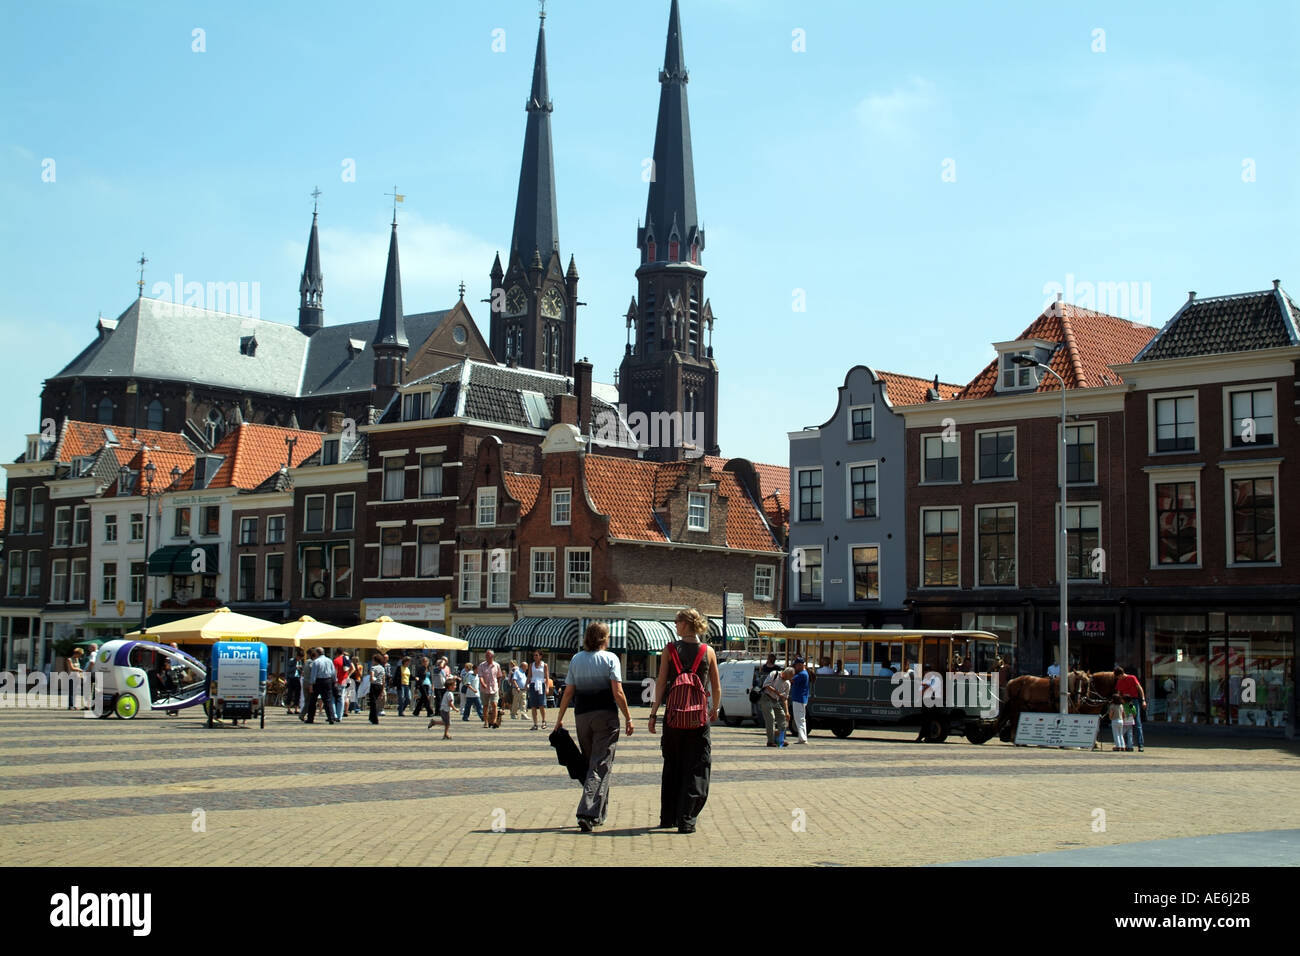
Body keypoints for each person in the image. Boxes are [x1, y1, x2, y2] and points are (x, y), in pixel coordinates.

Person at [554, 622, 635, 832]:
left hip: (582, 717)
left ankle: (598, 814)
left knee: (594, 765)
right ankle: (586, 812)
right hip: (605, 716)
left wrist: (559, 717)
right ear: (603, 639)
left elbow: (568, 691)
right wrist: (628, 717)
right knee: (600, 765)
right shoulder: (610, 659)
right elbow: (617, 692)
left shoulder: (576, 659)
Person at [649, 608, 720, 834]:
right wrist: (715, 708)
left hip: (673, 717)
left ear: (686, 624)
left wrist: (653, 714)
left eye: (677, 621)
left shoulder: (669, 650)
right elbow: (715, 686)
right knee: (697, 767)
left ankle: (668, 817)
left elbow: (661, 683)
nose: (675, 625)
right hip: (698, 719)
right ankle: (687, 819)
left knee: (672, 765)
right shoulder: (708, 651)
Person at [1114, 665, 1146, 752]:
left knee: (1137, 723)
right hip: (1124, 702)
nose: (1118, 679)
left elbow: (1139, 688)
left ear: (1121, 674)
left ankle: (1140, 745)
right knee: (1125, 725)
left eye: (1118, 677)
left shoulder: (1132, 678)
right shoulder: (1119, 682)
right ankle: (1125, 745)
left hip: (1132, 701)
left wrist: (1143, 700)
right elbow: (1118, 693)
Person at [302, 648, 337, 724]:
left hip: (318, 681)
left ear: (317, 653)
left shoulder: (316, 661)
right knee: (328, 700)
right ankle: (331, 718)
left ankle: (310, 718)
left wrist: (311, 684)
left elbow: (313, 675)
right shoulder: (329, 660)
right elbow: (333, 672)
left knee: (313, 701)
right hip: (328, 681)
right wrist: (334, 681)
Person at [762, 667, 792, 747]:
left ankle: (781, 740)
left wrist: (787, 712)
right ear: (784, 673)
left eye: (789, 678)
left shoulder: (787, 683)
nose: (786, 680)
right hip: (766, 697)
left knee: (782, 717)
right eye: (786, 677)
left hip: (776, 700)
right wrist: (778, 693)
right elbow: (766, 685)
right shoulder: (774, 674)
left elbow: (785, 698)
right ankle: (770, 741)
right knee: (771, 718)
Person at [478, 650, 503, 728]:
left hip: (494, 687)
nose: (487, 657)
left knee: (494, 704)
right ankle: (486, 721)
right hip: (484, 689)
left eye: (488, 656)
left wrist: (498, 687)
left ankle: (494, 721)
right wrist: (483, 683)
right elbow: (480, 676)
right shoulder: (482, 665)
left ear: (492, 656)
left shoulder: (496, 665)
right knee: (485, 705)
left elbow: (499, 676)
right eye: (486, 656)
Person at [789, 657, 810, 744]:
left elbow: (791, 679)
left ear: (801, 665)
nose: (796, 667)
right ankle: (802, 737)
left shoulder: (802, 674)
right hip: (801, 698)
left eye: (797, 665)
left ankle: (802, 737)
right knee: (801, 719)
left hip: (798, 698)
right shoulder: (804, 673)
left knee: (799, 719)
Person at [528, 651, 549, 730]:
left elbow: (547, 677)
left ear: (540, 656)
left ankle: (543, 721)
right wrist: (526, 685)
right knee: (533, 705)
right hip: (533, 684)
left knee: (541, 704)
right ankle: (535, 724)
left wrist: (547, 688)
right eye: (534, 655)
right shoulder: (531, 665)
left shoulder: (544, 665)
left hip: (541, 684)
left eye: (536, 655)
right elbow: (529, 675)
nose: (535, 657)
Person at [367, 654, 386, 724]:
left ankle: (374, 719)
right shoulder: (382, 668)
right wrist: (382, 690)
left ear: (375, 660)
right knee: (375, 701)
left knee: (373, 702)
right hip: (380, 685)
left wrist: (371, 680)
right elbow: (384, 679)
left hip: (374, 685)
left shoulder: (373, 668)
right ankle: (371, 717)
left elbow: (371, 677)